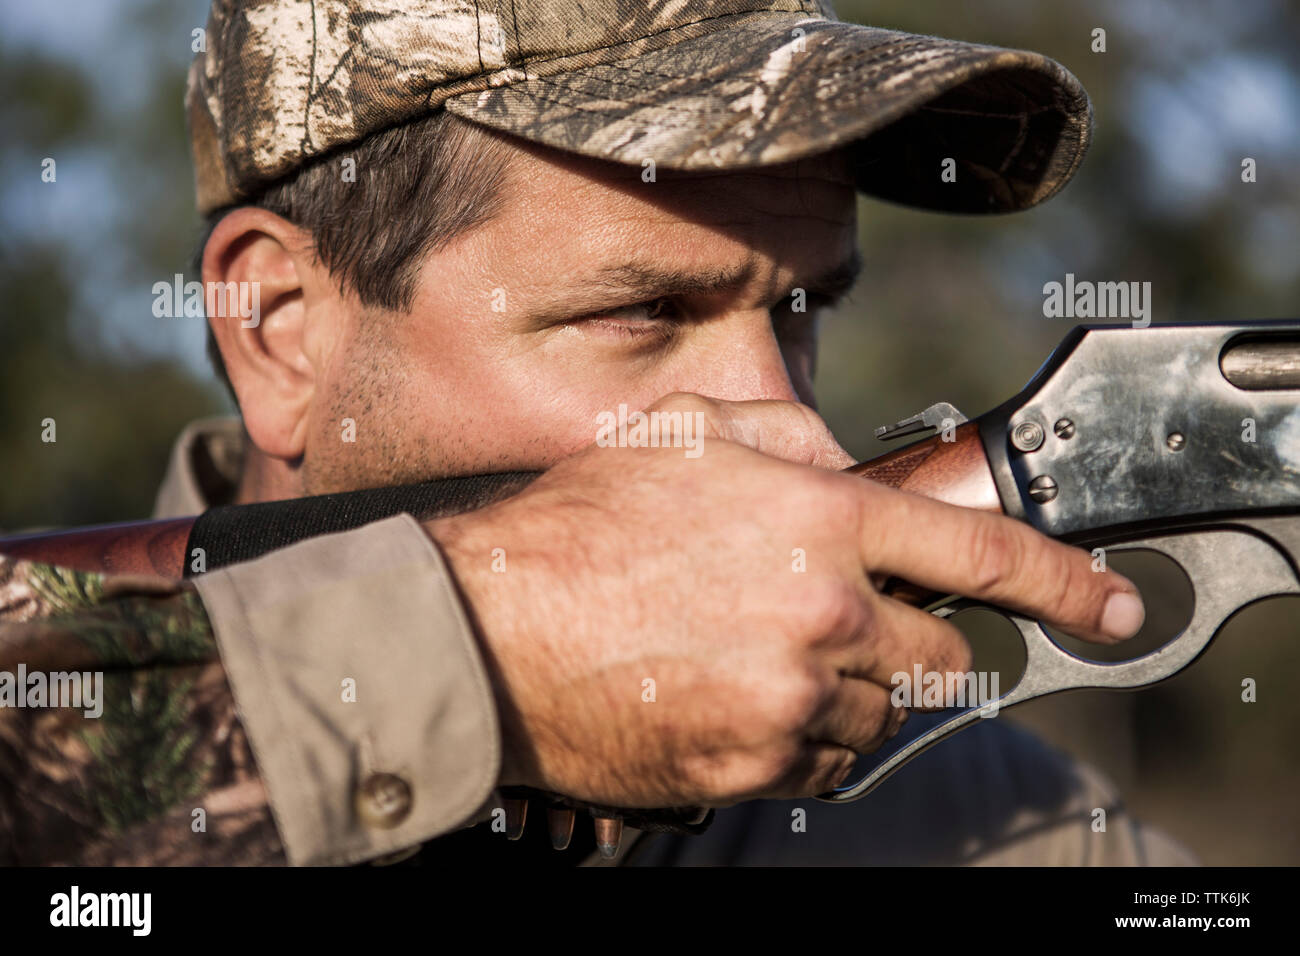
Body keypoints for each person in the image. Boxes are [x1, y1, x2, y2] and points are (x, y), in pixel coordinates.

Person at [0, 0, 1193, 867]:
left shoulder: (963, 810)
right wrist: (488, 653)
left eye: (803, 310)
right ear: (280, 334)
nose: (801, 436)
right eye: (641, 313)